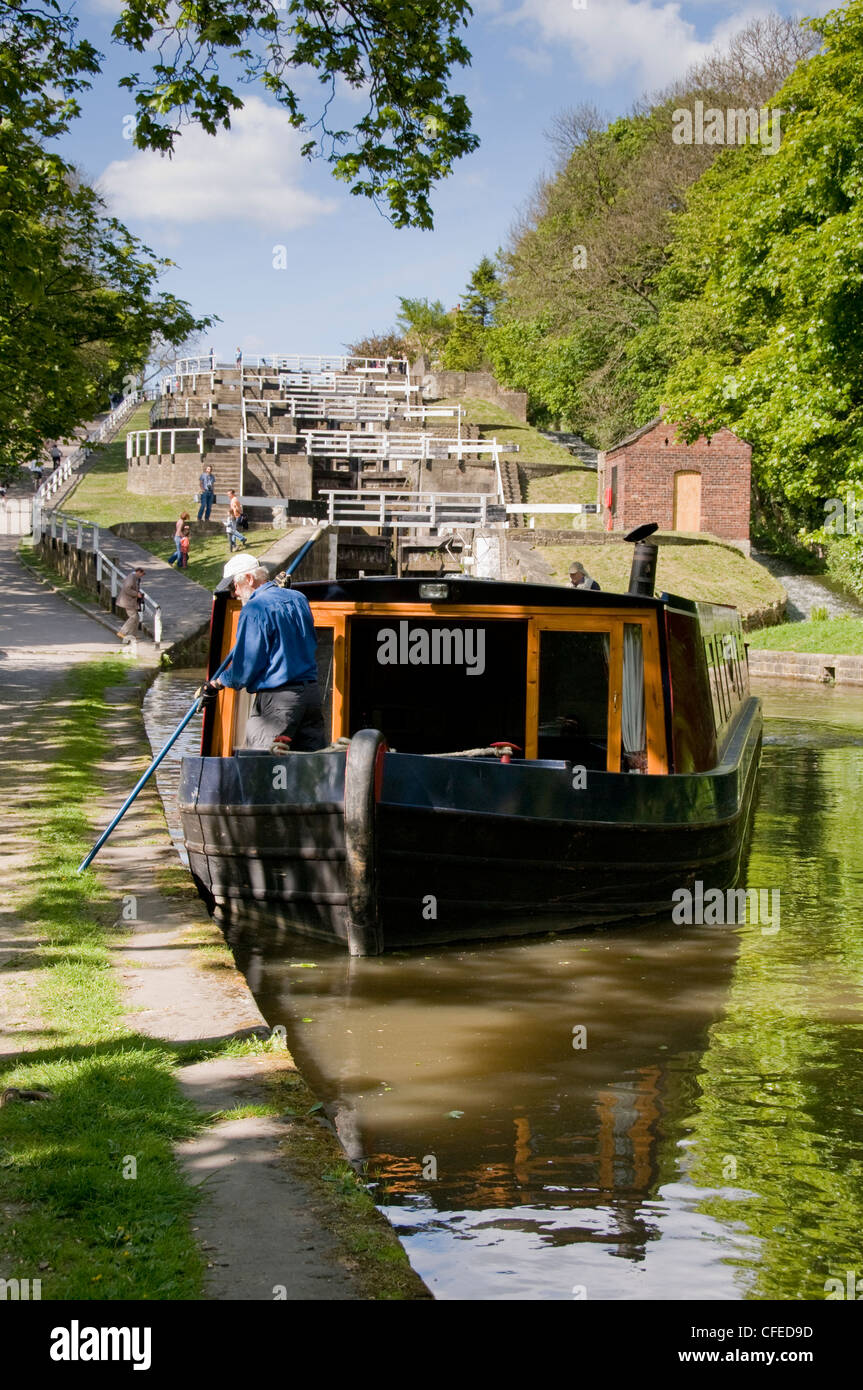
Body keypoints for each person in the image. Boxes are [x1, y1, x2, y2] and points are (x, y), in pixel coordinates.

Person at [202, 555, 326, 751]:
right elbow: (309, 642)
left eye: (234, 586)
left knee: (263, 766)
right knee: (310, 768)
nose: (233, 593)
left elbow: (244, 669)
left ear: (249, 579)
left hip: (279, 701)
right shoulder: (299, 598)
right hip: (310, 696)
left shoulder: (255, 608)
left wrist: (217, 683)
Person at [117, 567, 145, 643]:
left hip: (130, 601)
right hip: (128, 601)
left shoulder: (134, 578)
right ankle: (122, 632)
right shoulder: (131, 578)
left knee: (137, 617)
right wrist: (136, 594)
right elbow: (127, 589)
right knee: (133, 617)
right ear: (138, 572)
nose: (142, 575)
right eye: (142, 574)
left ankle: (133, 635)